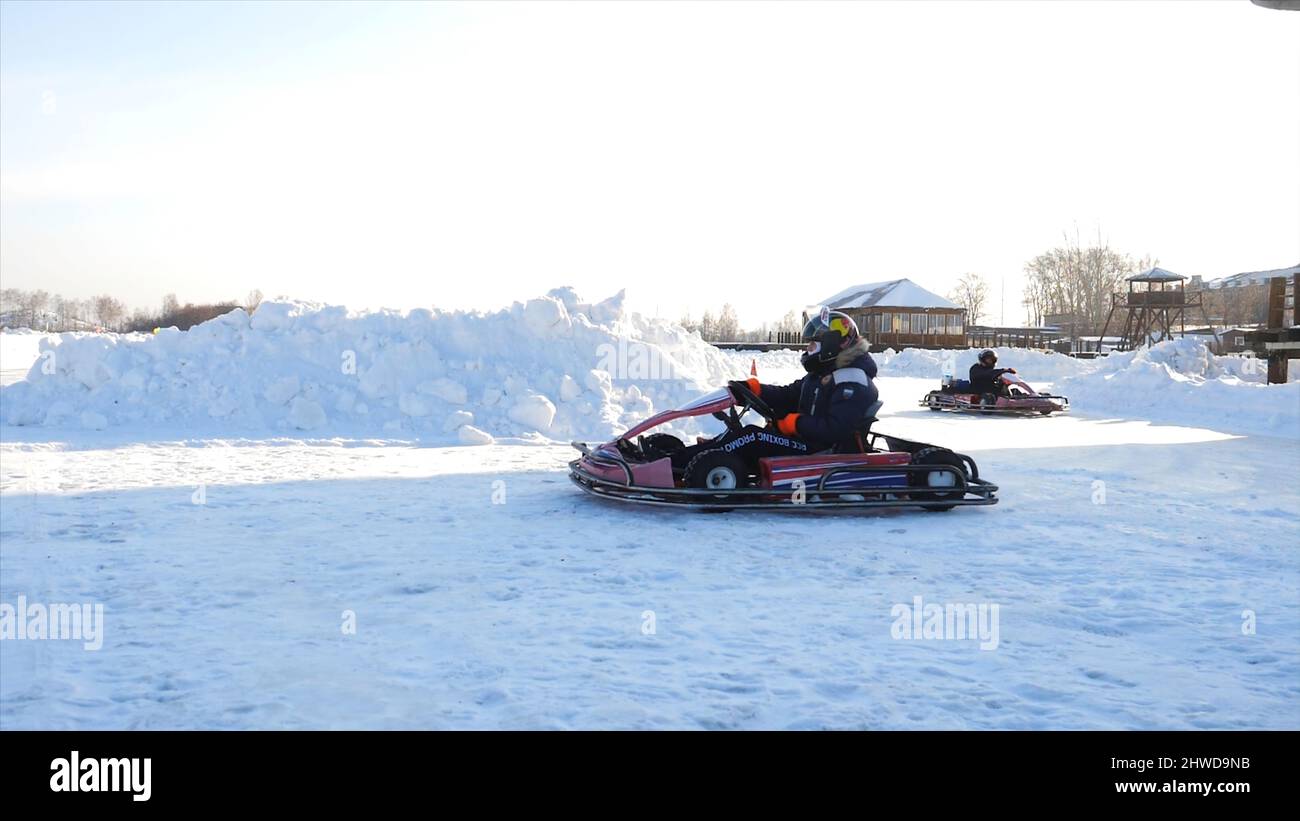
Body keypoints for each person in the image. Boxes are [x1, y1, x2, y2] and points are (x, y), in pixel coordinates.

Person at [670, 309, 879, 471]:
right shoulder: (823, 374)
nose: (808, 350)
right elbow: (788, 395)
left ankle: (679, 465)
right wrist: (754, 390)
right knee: (741, 434)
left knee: (753, 437)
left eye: (813, 345)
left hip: (824, 451)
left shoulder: (853, 381)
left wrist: (793, 424)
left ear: (834, 344)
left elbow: (835, 429)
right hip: (808, 442)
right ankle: (674, 456)